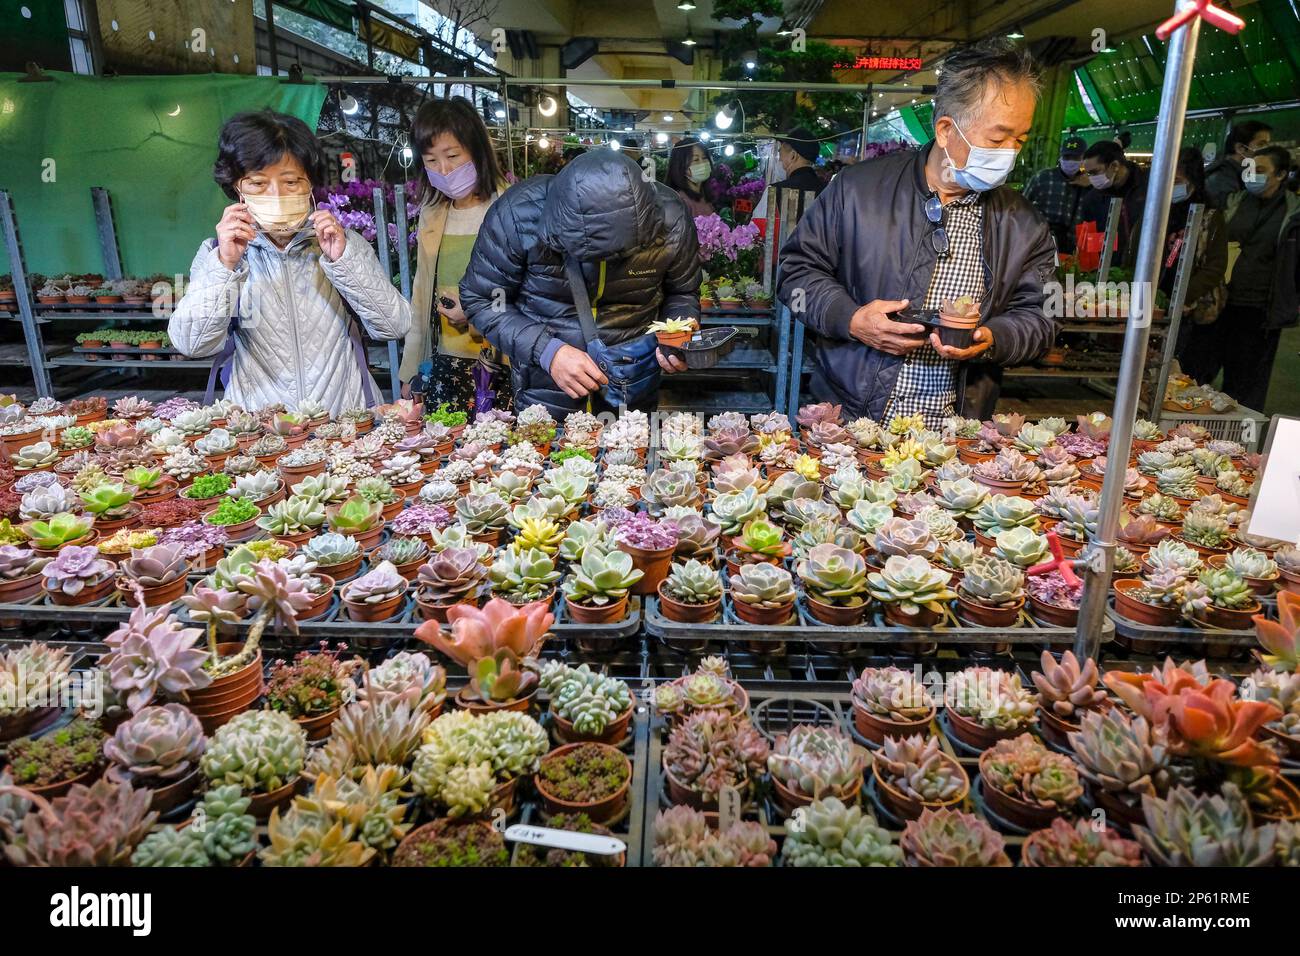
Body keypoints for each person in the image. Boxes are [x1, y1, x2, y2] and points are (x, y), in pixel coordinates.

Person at [776, 39, 1057, 426]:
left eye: (1020, 140)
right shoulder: (857, 190)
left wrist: (993, 338)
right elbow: (795, 275)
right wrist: (852, 318)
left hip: (959, 430)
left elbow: (1043, 317)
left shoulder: (1023, 223)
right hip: (850, 420)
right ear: (945, 130)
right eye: (997, 139)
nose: (1009, 152)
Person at [170, 110, 410, 415]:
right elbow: (191, 344)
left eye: (291, 182)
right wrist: (225, 265)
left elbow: (395, 325)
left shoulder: (343, 245)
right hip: (262, 435)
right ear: (236, 188)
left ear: (310, 184)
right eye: (258, 184)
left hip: (345, 428)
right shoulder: (216, 253)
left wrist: (343, 261)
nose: (277, 195)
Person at [459, 149, 700, 419]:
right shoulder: (518, 215)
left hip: (633, 386)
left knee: (629, 455)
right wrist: (548, 352)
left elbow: (682, 291)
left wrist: (677, 332)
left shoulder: (672, 220)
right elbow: (485, 299)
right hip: (544, 391)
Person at [399, 96, 511, 415]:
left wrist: (475, 312)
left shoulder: (508, 208)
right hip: (447, 367)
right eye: (431, 160)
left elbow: (525, 293)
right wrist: (410, 373)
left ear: (476, 150)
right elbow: (421, 298)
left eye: (452, 155)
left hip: (501, 366)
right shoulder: (433, 214)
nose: (444, 169)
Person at [1180, 145, 1299, 411]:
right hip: (1221, 303)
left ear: (1280, 174)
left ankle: (1240, 443)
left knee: (1246, 381)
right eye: (1250, 169)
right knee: (1198, 370)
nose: (1252, 175)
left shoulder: (1293, 214)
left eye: (1261, 170)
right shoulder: (1234, 202)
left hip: (1260, 310)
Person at [1077, 140, 1148, 268]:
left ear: (1114, 165)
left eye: (1094, 172)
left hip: (1147, 267)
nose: (1091, 178)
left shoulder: (1150, 187)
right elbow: (1090, 244)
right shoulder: (1091, 200)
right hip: (1111, 273)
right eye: (1088, 173)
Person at [1022, 134, 1090, 253]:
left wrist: (1091, 186)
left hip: (1073, 247)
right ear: (1060, 157)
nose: (1070, 161)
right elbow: (1021, 207)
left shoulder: (1090, 184)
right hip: (1041, 242)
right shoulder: (1043, 178)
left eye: (1075, 157)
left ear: (1084, 158)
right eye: (1067, 157)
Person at [1205, 120, 1272, 209]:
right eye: (1261, 144)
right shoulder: (1221, 178)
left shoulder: (1243, 173)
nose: (1267, 149)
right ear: (1240, 148)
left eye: (1268, 144)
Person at [666, 137, 715, 219]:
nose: (702, 163)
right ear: (681, 166)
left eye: (704, 158)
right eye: (696, 160)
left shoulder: (704, 196)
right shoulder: (681, 202)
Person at [772, 126, 826, 197]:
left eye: (780, 154)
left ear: (793, 156)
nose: (779, 160)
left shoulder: (774, 191)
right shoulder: (827, 190)